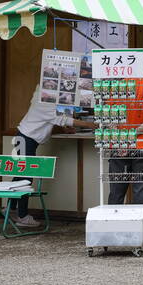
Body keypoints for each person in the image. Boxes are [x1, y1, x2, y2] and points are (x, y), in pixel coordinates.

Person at [15, 83, 96, 226]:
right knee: (25, 177)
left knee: (20, 176)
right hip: (25, 139)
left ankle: (12, 210)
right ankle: (22, 216)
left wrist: (63, 130)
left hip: (25, 137)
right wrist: (91, 125)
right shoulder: (44, 102)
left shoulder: (41, 93)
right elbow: (62, 119)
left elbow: (53, 120)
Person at [107, 79, 143, 205]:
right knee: (141, 191)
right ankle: (140, 224)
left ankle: (113, 223)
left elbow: (110, 119)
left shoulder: (117, 86)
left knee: (116, 192)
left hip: (119, 146)